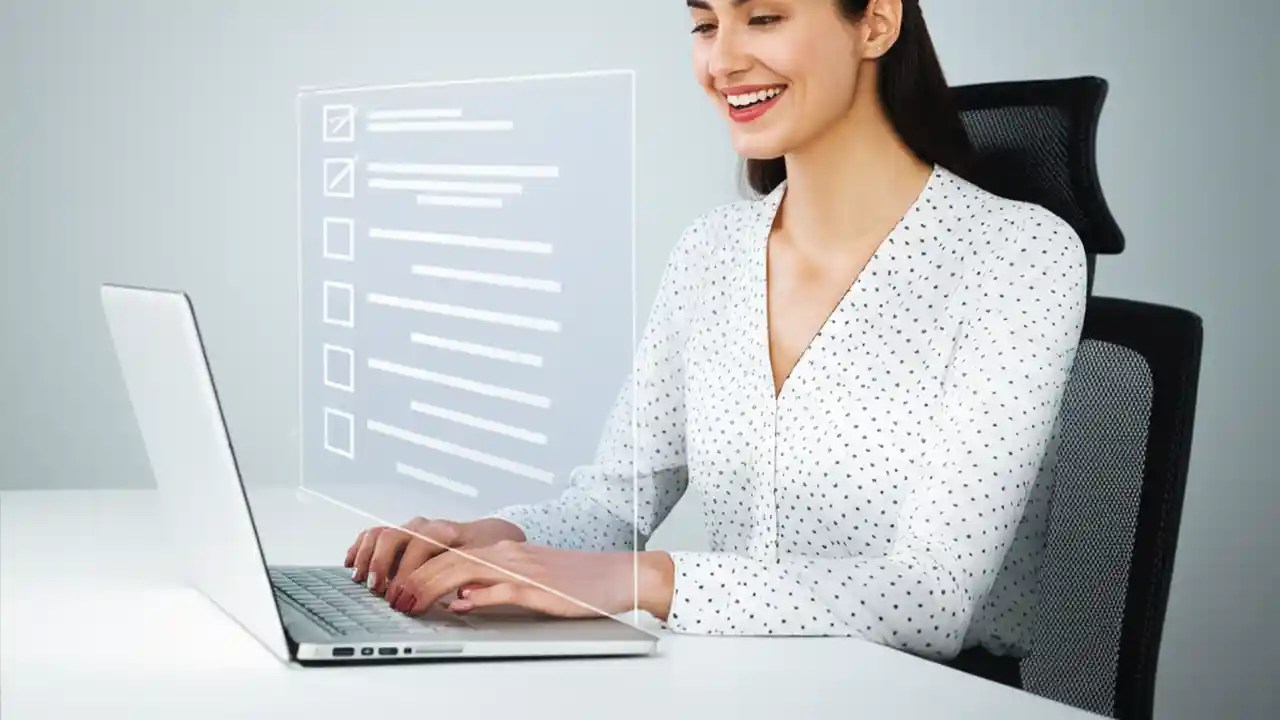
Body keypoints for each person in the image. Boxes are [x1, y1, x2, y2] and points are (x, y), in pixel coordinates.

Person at [344, 0, 1086, 688]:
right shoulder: (712, 251)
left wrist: (643, 581)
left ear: (876, 23)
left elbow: (930, 597)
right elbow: (615, 506)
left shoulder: (1019, 255)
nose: (722, 61)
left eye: (763, 17)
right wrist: (487, 539)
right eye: (705, 25)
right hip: (732, 684)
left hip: (919, 698)